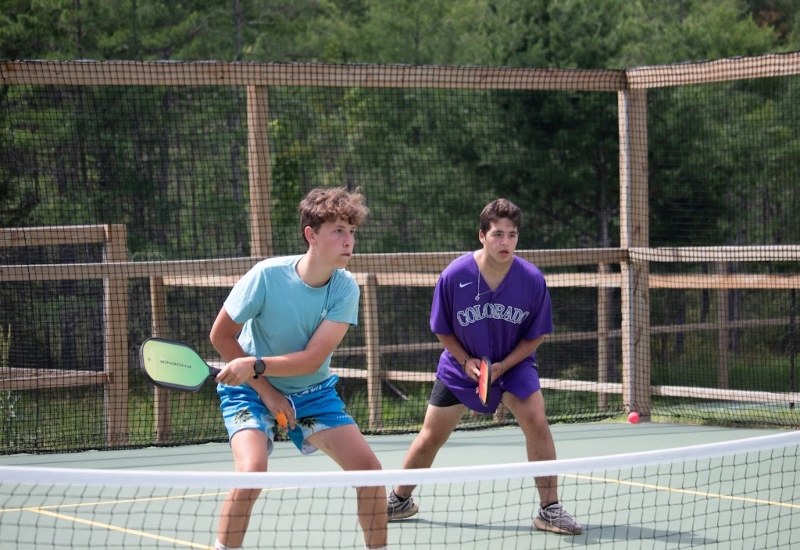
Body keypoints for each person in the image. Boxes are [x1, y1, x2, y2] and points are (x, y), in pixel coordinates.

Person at [387, 198, 581, 535]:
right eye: (498, 234)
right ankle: (400, 499)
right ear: (482, 236)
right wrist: (466, 361)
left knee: (536, 420)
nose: (505, 242)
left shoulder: (532, 279)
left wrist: (503, 367)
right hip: (462, 364)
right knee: (431, 435)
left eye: (512, 235)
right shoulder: (454, 275)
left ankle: (549, 509)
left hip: (514, 365)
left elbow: (536, 336)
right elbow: (441, 328)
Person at [211, 187, 388, 550]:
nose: (348, 240)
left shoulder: (345, 287)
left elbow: (311, 359)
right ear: (311, 235)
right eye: (338, 230)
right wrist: (266, 389)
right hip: (250, 390)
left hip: (313, 393)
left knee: (370, 474)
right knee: (251, 474)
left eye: (352, 231)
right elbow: (221, 335)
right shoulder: (266, 276)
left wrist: (255, 364)